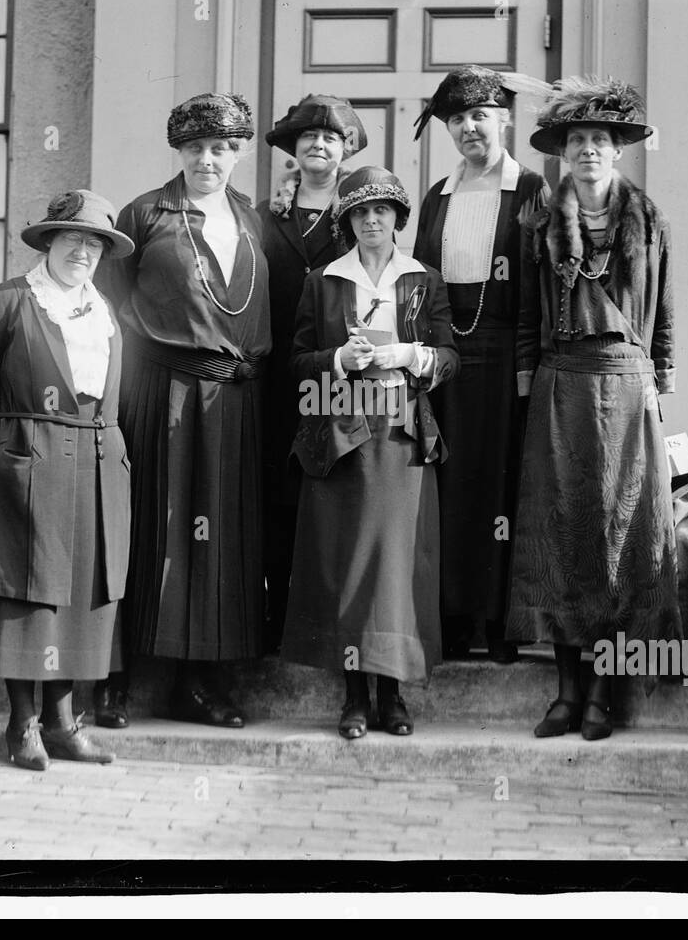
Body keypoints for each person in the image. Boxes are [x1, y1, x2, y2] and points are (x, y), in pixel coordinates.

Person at [507, 76, 681, 741]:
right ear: (563, 152)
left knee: (620, 536)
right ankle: (564, 691)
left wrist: (659, 380)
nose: (588, 151)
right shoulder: (541, 222)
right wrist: (529, 381)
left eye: (599, 141)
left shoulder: (649, 221)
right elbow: (527, 313)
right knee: (562, 535)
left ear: (618, 151)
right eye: (577, 140)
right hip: (561, 385)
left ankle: (604, 694)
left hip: (628, 387)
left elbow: (663, 315)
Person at [92, 93, 270, 729]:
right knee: (152, 528)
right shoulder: (146, 214)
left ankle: (197, 683)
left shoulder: (253, 220)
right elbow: (110, 306)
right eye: (195, 148)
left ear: (239, 153)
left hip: (234, 402)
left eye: (222, 148)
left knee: (216, 539)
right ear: (179, 152)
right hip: (162, 394)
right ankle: (114, 679)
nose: (208, 160)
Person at [0, 190, 133, 770]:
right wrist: (15, 439)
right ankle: (22, 725)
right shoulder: (9, 301)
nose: (82, 250)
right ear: (50, 242)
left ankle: (63, 724)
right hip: (28, 456)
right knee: (24, 589)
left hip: (95, 458)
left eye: (94, 243)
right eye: (72, 238)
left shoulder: (105, 311)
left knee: (80, 589)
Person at [282, 166, 459, 739]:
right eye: (360, 213)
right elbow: (297, 361)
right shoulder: (324, 280)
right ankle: (355, 697)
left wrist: (411, 354)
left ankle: (394, 696)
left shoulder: (423, 280)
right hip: (341, 436)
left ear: (398, 219)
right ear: (349, 222)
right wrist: (340, 360)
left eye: (382, 211)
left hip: (403, 436)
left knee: (396, 566)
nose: (372, 221)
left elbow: (450, 357)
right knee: (347, 565)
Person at [413, 65, 551, 664]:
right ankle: (451, 616)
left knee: (499, 483)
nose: (471, 127)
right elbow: (417, 283)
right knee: (447, 482)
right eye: (459, 119)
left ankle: (500, 623)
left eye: (481, 116)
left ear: (504, 120)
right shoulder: (436, 196)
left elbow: (541, 288)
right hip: (447, 353)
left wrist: (529, 364)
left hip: (504, 355)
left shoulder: (530, 191)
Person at [256, 94, 367, 650]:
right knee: (275, 489)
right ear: (293, 152)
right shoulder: (263, 217)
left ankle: (326, 615)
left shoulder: (359, 216)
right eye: (309, 139)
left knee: (324, 485)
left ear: (344, 150)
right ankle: (276, 611)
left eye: (331, 139)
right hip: (274, 372)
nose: (319, 146)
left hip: (333, 373)